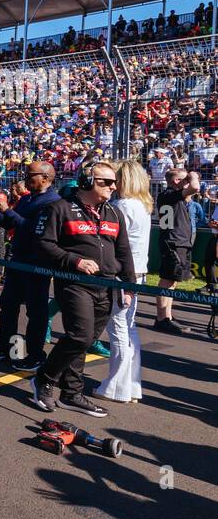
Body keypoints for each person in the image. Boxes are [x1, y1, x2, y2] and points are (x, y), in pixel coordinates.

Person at [31, 161, 134, 418]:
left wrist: (129, 285)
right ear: (88, 182)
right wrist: (74, 261)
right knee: (80, 335)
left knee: (86, 341)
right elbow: (44, 244)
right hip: (74, 283)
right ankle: (44, 378)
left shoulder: (113, 212)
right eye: (106, 182)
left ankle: (72, 393)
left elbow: (123, 251)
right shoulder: (59, 209)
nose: (113, 186)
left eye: (114, 182)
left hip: (107, 285)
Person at [0, 162, 61, 371]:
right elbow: (10, 224)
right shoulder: (26, 198)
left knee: (36, 311)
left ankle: (35, 354)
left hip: (37, 263)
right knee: (8, 305)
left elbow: (35, 230)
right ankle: (4, 348)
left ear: (45, 177)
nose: (25, 177)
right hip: (18, 259)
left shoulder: (52, 202)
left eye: (30, 174)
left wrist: (8, 212)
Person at [94, 160, 152, 404]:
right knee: (129, 329)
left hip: (122, 273)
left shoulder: (120, 206)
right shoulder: (142, 205)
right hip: (138, 271)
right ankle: (131, 386)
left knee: (118, 329)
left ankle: (117, 387)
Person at [154, 167, 200, 334]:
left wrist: (187, 181)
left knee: (172, 282)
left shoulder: (172, 196)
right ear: (175, 181)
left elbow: (190, 193)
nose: (187, 180)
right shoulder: (168, 194)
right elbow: (195, 187)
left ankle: (168, 316)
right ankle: (161, 319)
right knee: (167, 280)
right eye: (184, 178)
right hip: (173, 242)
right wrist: (194, 176)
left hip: (177, 242)